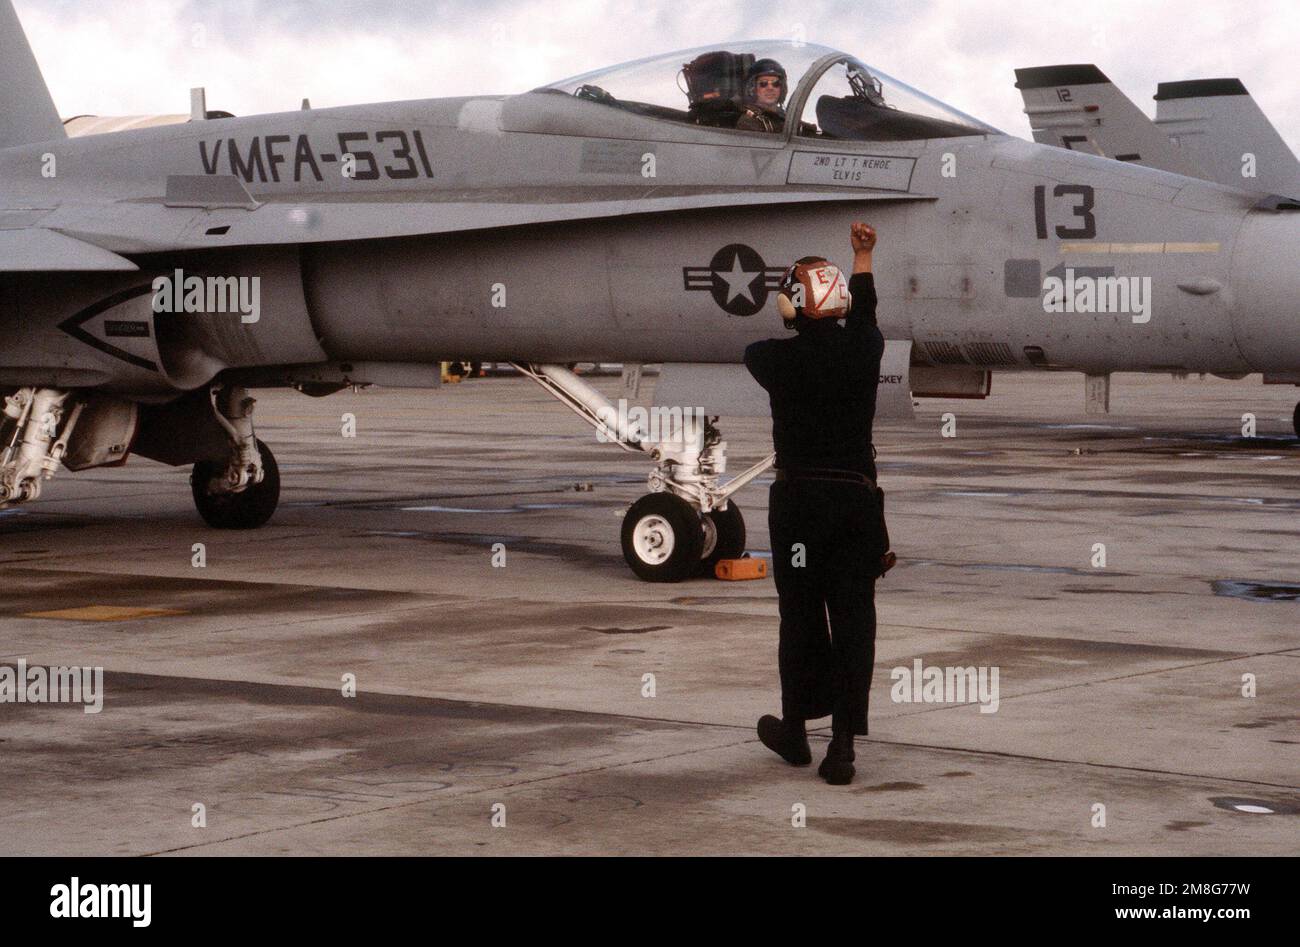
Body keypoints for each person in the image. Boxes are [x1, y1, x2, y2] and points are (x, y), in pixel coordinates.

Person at [743, 222, 891, 785]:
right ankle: (844, 747)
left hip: (800, 507)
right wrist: (864, 256)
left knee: (800, 618)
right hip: (856, 505)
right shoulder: (867, 350)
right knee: (854, 619)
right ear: (843, 304)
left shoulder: (770, 359)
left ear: (791, 306)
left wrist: (792, 321)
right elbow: (868, 319)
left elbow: (764, 347)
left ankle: (796, 733)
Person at [737, 59, 788, 132]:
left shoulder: (786, 117)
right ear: (752, 88)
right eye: (763, 83)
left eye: (775, 83)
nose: (770, 88)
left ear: (782, 88)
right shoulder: (748, 122)